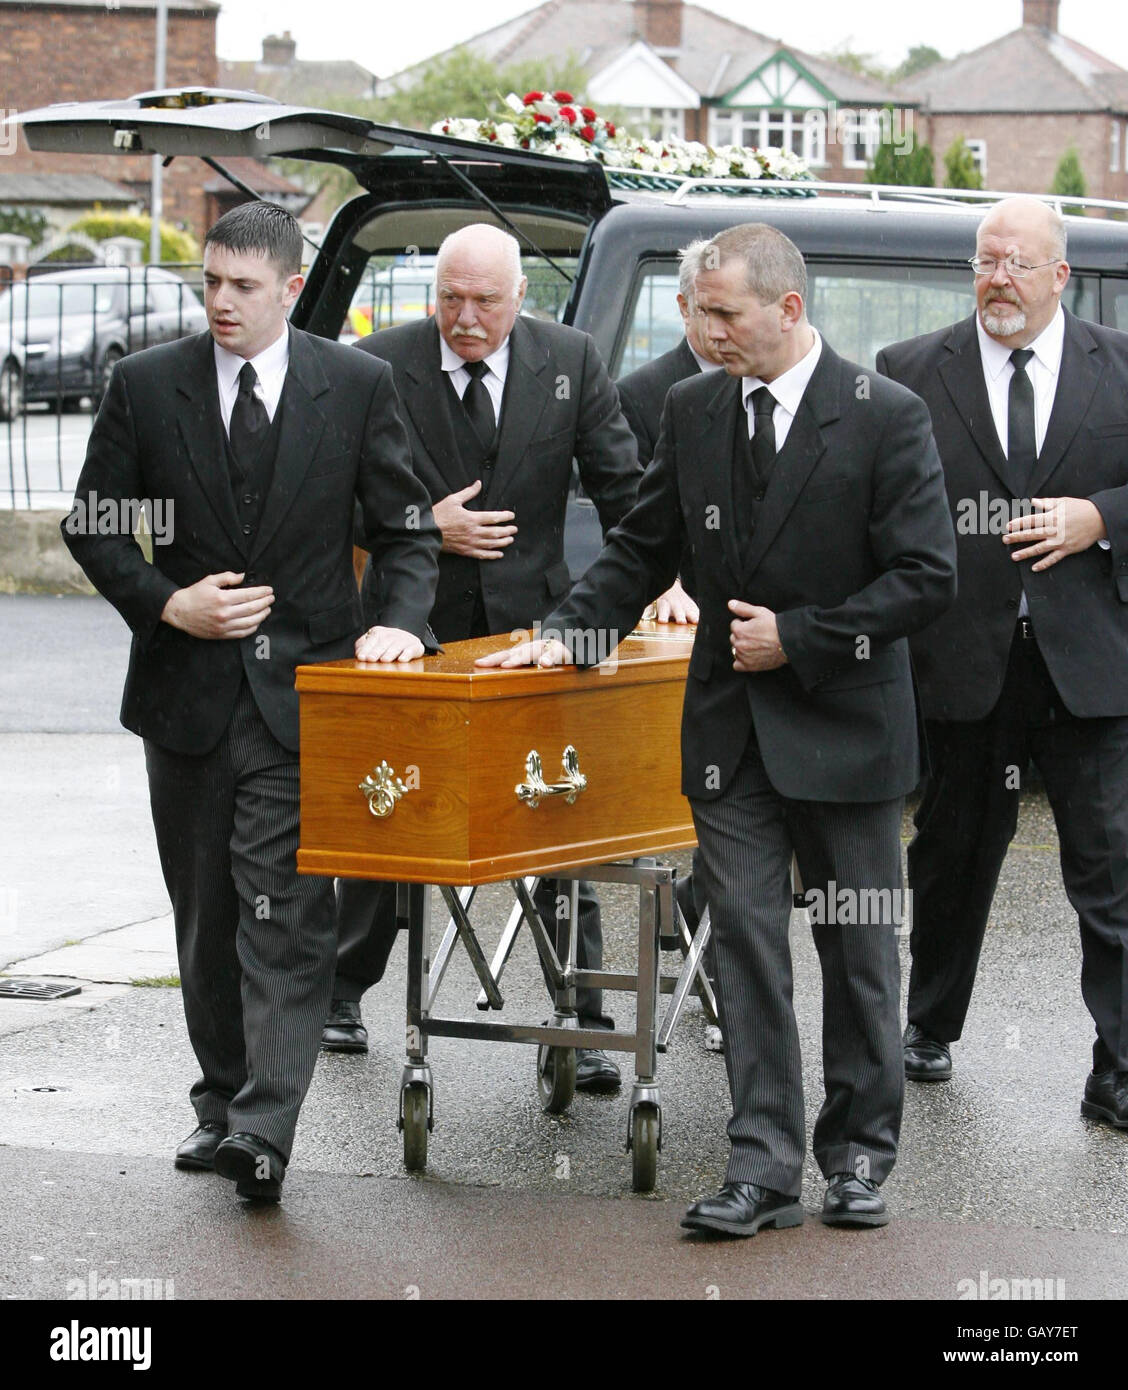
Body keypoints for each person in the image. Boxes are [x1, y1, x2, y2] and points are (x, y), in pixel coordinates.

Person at [479, 222, 957, 1235]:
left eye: (725, 312)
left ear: (788, 308)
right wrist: (562, 638)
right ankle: (764, 1164)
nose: (705, 329)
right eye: (697, 311)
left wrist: (803, 637)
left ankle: (860, 1153)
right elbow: (640, 547)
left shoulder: (887, 416)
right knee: (742, 942)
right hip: (730, 739)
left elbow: (925, 577)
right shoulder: (693, 410)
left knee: (860, 948)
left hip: (848, 732)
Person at [60, 202, 440, 1202]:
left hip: (303, 699)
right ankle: (222, 1097)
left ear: (286, 287)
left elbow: (406, 529)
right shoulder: (148, 388)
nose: (221, 302)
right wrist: (166, 601)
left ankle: (267, 1126)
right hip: (187, 701)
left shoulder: (355, 387)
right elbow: (97, 522)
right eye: (210, 284)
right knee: (208, 913)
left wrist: (399, 621)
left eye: (241, 286)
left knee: (287, 913)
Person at [324, 223, 694, 1091]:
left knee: (563, 819)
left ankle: (585, 1021)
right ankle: (341, 993)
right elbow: (324, 498)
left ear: (520, 298)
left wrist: (668, 581)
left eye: (486, 300)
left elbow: (626, 494)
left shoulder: (569, 359)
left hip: (536, 635)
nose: (466, 317)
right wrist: (428, 526)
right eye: (450, 297)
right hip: (412, 634)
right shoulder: (377, 364)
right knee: (396, 815)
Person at [878, 196, 1128, 1129]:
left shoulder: (1120, 366)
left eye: (1019, 263)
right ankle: (928, 1025)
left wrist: (1100, 516)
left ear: (1060, 275)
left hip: (1090, 669)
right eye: (986, 261)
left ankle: (1118, 1066)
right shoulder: (909, 373)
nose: (999, 279)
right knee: (950, 856)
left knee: (1109, 871)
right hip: (961, 661)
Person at [617, 238, 723, 1035]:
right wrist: (665, 588)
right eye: (705, 310)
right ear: (680, 308)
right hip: (672, 618)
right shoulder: (648, 394)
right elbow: (638, 521)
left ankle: (715, 967)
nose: (718, 329)